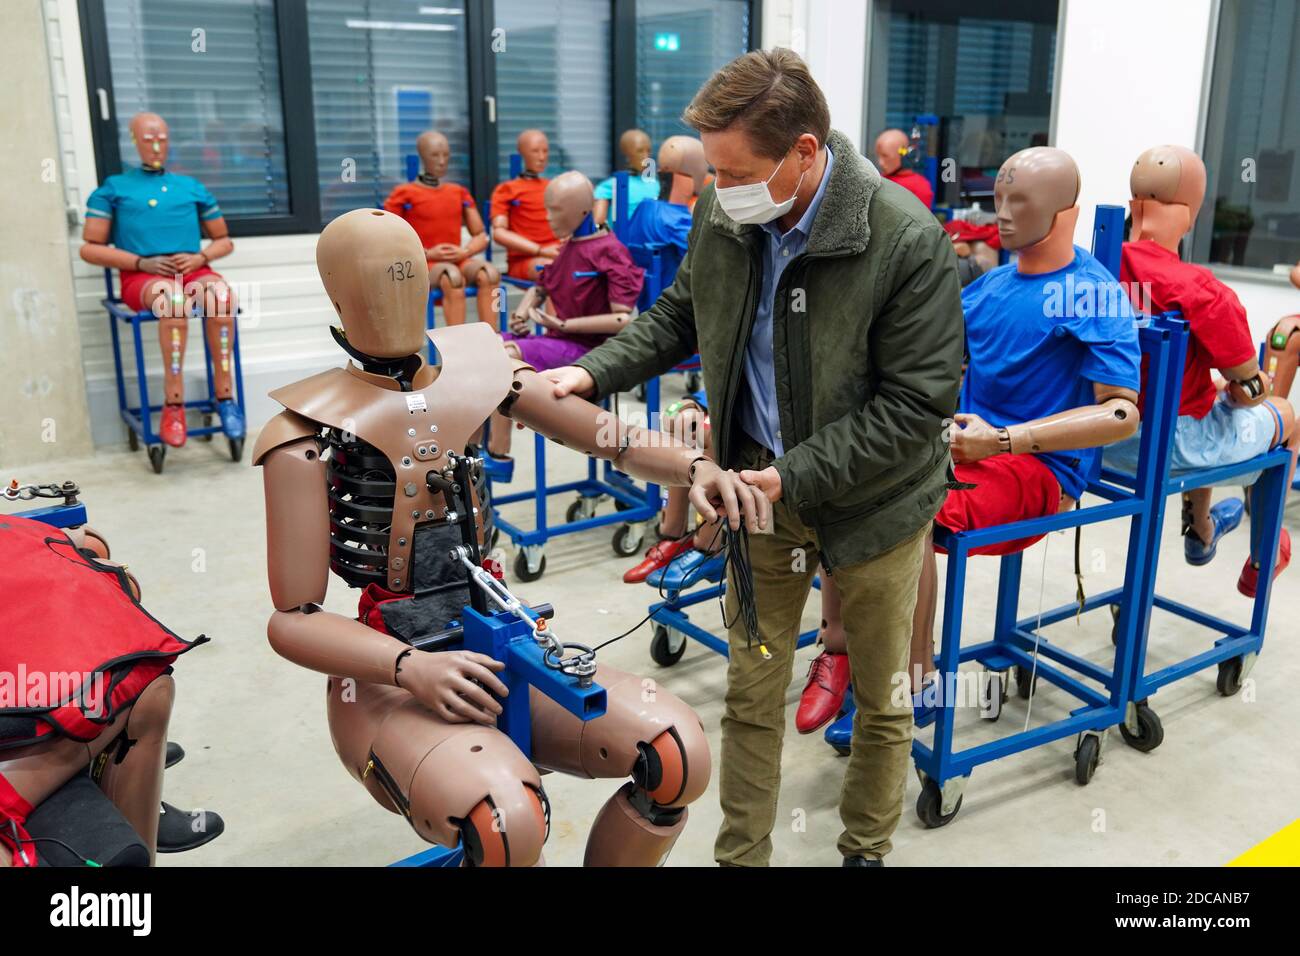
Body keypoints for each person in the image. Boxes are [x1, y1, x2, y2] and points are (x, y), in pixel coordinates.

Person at [547, 48, 965, 866]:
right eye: (711, 169)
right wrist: (590, 369)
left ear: (806, 151)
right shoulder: (728, 208)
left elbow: (916, 407)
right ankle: (742, 859)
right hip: (758, 493)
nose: (719, 187)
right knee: (752, 695)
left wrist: (793, 472)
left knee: (882, 698)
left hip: (876, 504)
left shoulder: (906, 239)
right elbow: (680, 312)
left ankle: (865, 849)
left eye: (735, 170)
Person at [1104, 145, 1298, 595]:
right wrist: (1254, 386)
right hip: (1161, 449)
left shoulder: (1095, 268)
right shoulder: (1202, 290)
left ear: (1135, 205)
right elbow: (1248, 387)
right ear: (1191, 213)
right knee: (1286, 417)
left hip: (1091, 440)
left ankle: (1204, 530)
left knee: (1200, 394)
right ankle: (1264, 556)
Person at [80, 112, 241, 449]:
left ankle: (226, 397)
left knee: (222, 298)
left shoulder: (191, 186)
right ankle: (174, 403)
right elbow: (90, 248)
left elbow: (224, 240)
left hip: (192, 270)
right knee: (173, 300)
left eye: (162, 138)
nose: (156, 145)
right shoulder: (114, 188)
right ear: (134, 141)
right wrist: (141, 261)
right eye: (148, 139)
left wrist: (201, 257)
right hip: (143, 277)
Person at [486, 171, 643, 463]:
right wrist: (521, 313)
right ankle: (470, 447)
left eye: (555, 210)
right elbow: (541, 285)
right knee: (482, 347)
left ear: (581, 210)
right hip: (557, 340)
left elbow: (622, 318)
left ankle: (498, 451)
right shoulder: (568, 248)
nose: (547, 218)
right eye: (547, 209)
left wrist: (564, 324)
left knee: (504, 356)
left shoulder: (609, 250)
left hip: (591, 350)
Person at [383, 131, 500, 326]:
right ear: (423, 157)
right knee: (452, 277)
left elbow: (480, 234)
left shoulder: (458, 192)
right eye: (435, 155)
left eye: (446, 155)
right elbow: (389, 237)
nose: (442, 161)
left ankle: (492, 339)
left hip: (458, 258)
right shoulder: (404, 194)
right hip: (424, 262)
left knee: (489, 274)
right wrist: (427, 253)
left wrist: (465, 251)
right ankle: (455, 348)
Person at [490, 129, 561, 281]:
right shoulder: (507, 189)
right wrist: (540, 250)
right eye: (535, 151)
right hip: (526, 260)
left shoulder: (554, 186)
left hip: (559, 253)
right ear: (522, 153)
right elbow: (499, 233)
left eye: (545, 151)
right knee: (555, 271)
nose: (542, 157)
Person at [593, 128, 659, 226]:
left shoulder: (656, 184)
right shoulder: (612, 185)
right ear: (627, 153)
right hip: (622, 239)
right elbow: (598, 224)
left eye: (648, 151)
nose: (646, 156)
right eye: (640, 151)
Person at [874, 128, 934, 209]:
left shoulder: (918, 187)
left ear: (903, 154)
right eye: (878, 155)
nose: (880, 162)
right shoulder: (876, 181)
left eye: (885, 156)